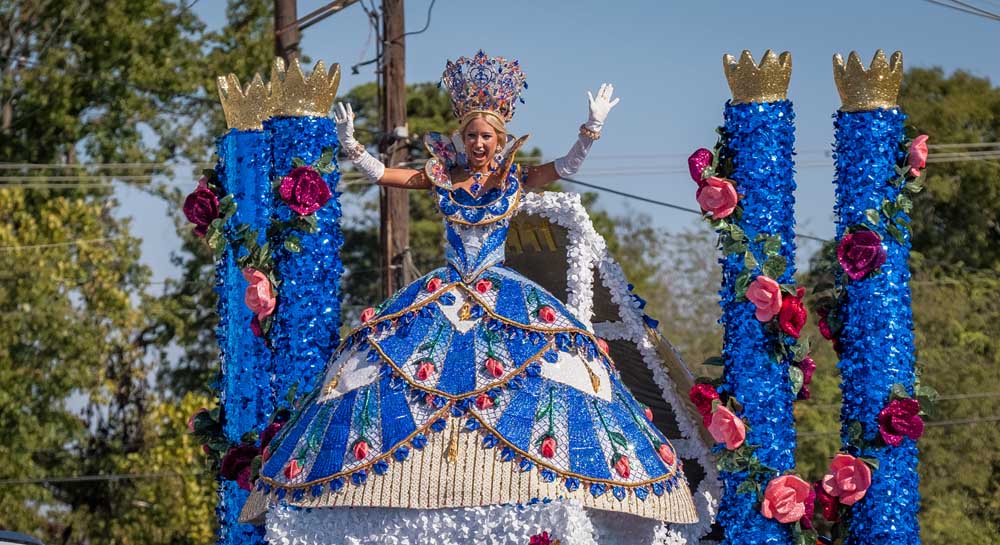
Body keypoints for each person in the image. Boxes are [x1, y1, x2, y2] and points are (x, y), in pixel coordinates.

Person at [241, 51, 697, 539]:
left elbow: (564, 166)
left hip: (503, 293)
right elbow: (385, 177)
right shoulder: (441, 178)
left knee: (548, 375)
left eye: (488, 136)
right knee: (392, 376)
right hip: (448, 287)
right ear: (462, 137)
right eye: (473, 135)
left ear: (500, 141)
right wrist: (352, 146)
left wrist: (591, 128)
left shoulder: (514, 180)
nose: (479, 144)